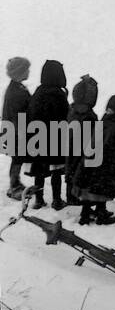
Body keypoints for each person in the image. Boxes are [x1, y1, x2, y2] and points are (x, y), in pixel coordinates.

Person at [79, 93, 115, 225]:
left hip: (93, 161)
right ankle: (101, 214)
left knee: (91, 187)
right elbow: (112, 149)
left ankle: (85, 212)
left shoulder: (105, 121)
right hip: (105, 164)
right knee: (102, 187)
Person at [28, 60, 70, 209]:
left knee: (39, 170)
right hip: (56, 137)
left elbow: (31, 113)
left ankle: (38, 199)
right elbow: (65, 116)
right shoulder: (58, 94)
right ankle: (57, 200)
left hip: (38, 137)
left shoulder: (38, 92)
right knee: (56, 169)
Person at [66, 75, 100, 224]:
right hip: (83, 150)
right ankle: (79, 197)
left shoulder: (72, 110)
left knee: (71, 169)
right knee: (82, 172)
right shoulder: (90, 116)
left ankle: (70, 195)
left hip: (71, 147)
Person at [4, 57, 33, 199]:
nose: (29, 71)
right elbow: (20, 113)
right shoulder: (16, 91)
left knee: (17, 159)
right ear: (19, 72)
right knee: (17, 158)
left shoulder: (17, 87)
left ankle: (15, 183)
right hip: (16, 131)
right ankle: (14, 186)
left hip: (15, 130)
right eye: (26, 69)